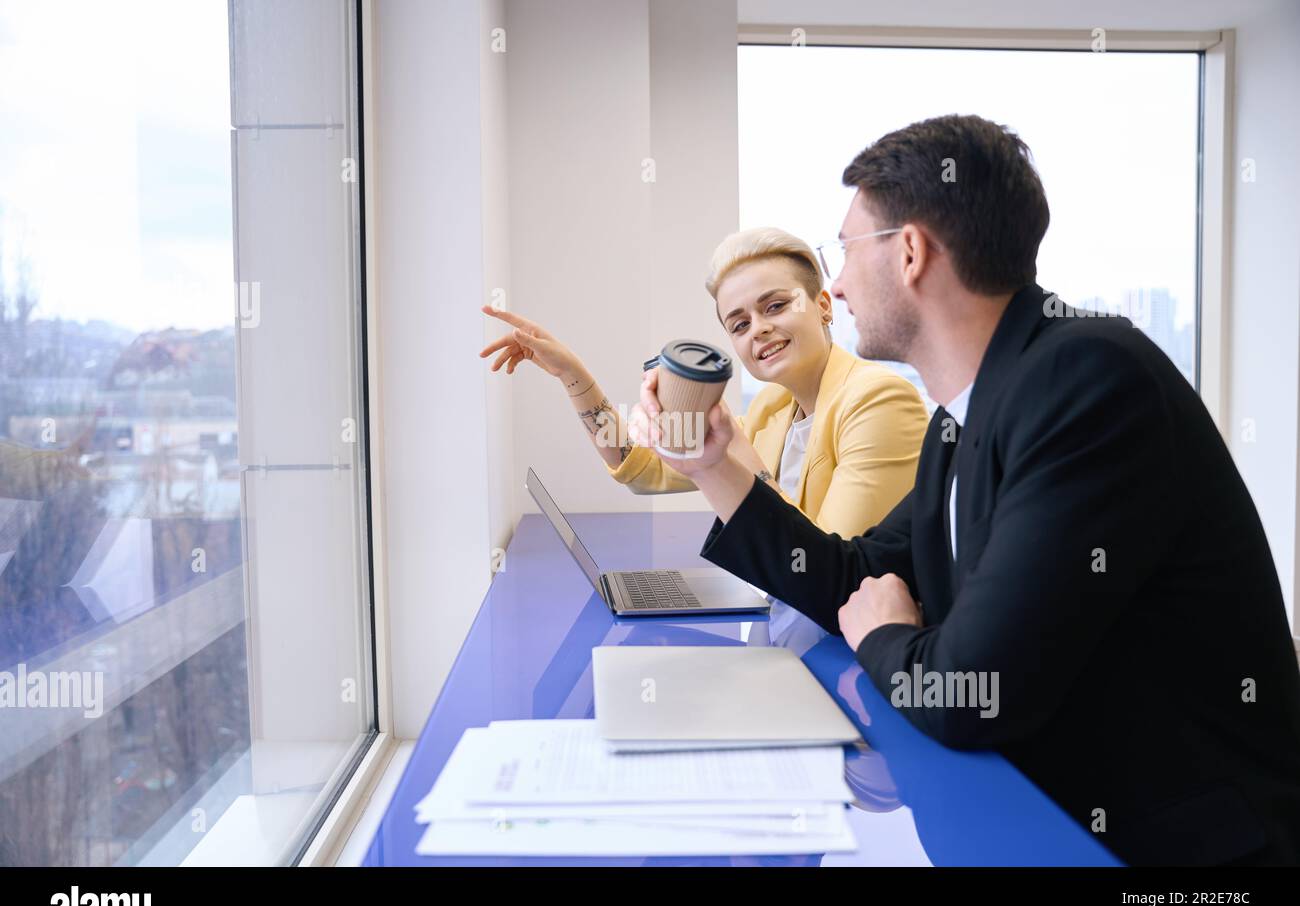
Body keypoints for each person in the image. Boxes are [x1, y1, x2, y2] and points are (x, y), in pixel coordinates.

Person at [630, 115, 1300, 866]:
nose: (839, 284)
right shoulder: (967, 415)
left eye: (846, 251)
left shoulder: (1089, 380)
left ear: (910, 252)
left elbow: (969, 690)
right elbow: (853, 576)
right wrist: (713, 465)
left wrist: (885, 635)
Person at [479, 227, 928, 538]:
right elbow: (642, 470)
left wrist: (732, 448)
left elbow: (828, 571)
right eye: (739, 324)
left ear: (823, 305)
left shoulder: (877, 400)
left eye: (774, 306)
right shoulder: (774, 408)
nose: (758, 330)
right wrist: (573, 377)